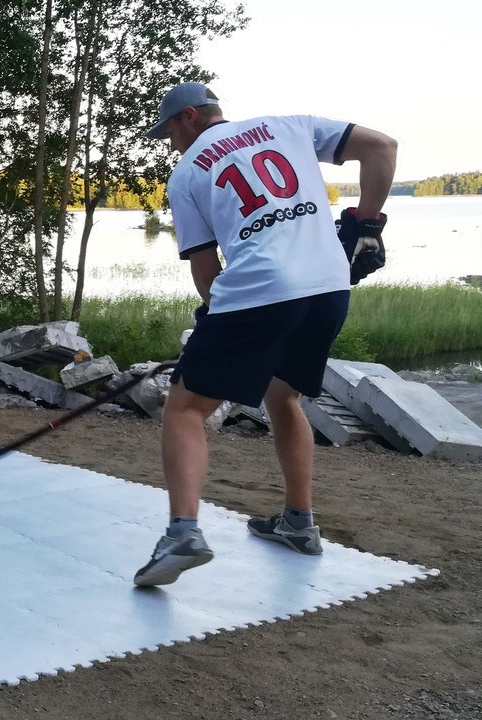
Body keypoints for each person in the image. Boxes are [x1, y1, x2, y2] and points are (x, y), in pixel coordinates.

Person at [132, 82, 398, 586]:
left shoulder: (187, 172)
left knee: (185, 408)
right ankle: (299, 522)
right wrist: (368, 223)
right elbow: (382, 147)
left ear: (189, 117)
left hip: (260, 288)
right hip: (329, 286)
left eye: (169, 132)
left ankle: (182, 534)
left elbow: (206, 271)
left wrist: (216, 312)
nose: (170, 143)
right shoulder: (290, 126)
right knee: (283, 393)